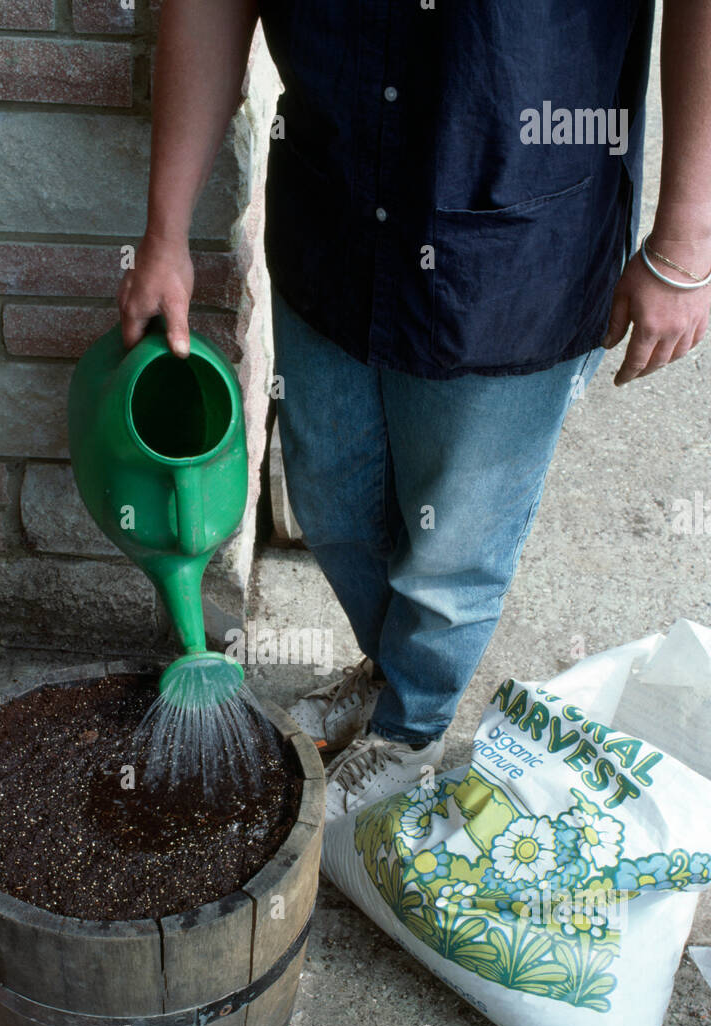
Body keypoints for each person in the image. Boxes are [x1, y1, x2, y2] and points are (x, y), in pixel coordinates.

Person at [118, 1, 711, 820]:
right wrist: (165, 233)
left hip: (512, 233)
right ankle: (392, 673)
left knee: (453, 551)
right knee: (331, 498)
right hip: (335, 203)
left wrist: (685, 242)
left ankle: (410, 734)